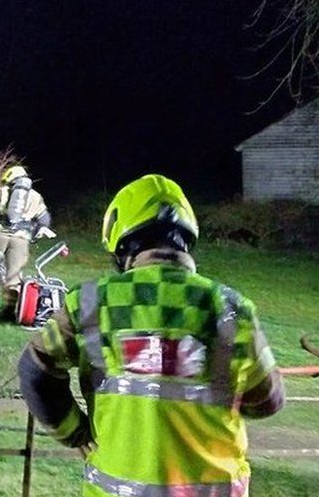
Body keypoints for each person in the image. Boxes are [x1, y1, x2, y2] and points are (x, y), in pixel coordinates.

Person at [17, 174, 285, 497]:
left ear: (121, 246)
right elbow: (268, 401)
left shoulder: (88, 303)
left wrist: (77, 432)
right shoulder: (231, 308)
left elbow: (35, 370)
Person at [0, 165, 53, 316]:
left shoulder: (2, 192)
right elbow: (44, 219)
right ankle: (9, 309)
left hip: (0, 236)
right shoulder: (35, 196)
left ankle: (0, 279)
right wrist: (38, 231)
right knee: (14, 276)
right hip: (21, 240)